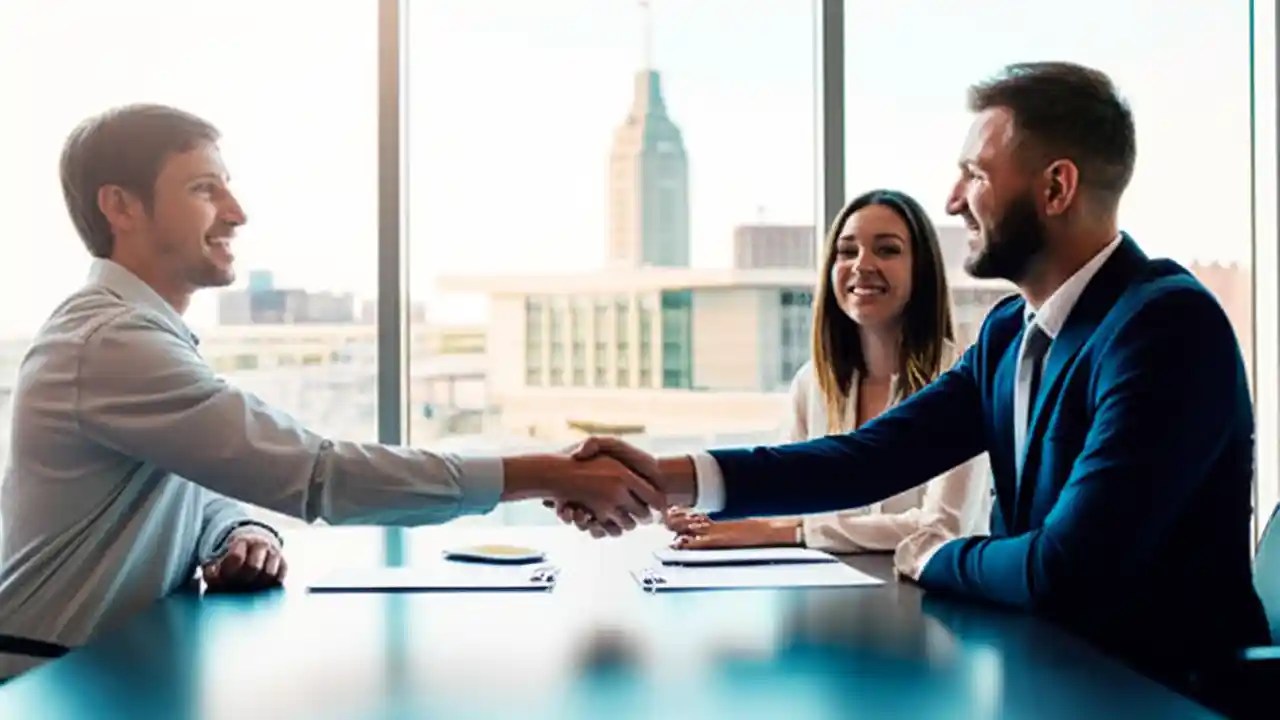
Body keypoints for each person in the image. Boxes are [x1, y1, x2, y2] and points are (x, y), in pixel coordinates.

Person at [564, 61, 1269, 701]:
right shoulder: (1005, 334)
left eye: (976, 174)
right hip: (1049, 674)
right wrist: (667, 476)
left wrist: (933, 554)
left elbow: (1066, 571)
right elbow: (871, 457)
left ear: (1057, 187)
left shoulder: (1166, 328)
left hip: (1160, 694)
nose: (955, 199)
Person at [0, 104, 668, 679]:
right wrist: (547, 473)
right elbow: (316, 473)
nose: (237, 212)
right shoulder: (112, 343)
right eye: (206, 189)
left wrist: (243, 528)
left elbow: (198, 481)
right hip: (50, 679)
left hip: (114, 669)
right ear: (120, 206)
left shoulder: (136, 334)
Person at [663, 189, 988, 573]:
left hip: (932, 604)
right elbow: (787, 500)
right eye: (847, 251)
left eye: (887, 250)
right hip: (827, 595)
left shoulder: (961, 380)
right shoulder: (812, 382)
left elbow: (941, 528)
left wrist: (786, 530)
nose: (862, 264)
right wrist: (716, 516)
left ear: (922, 269)